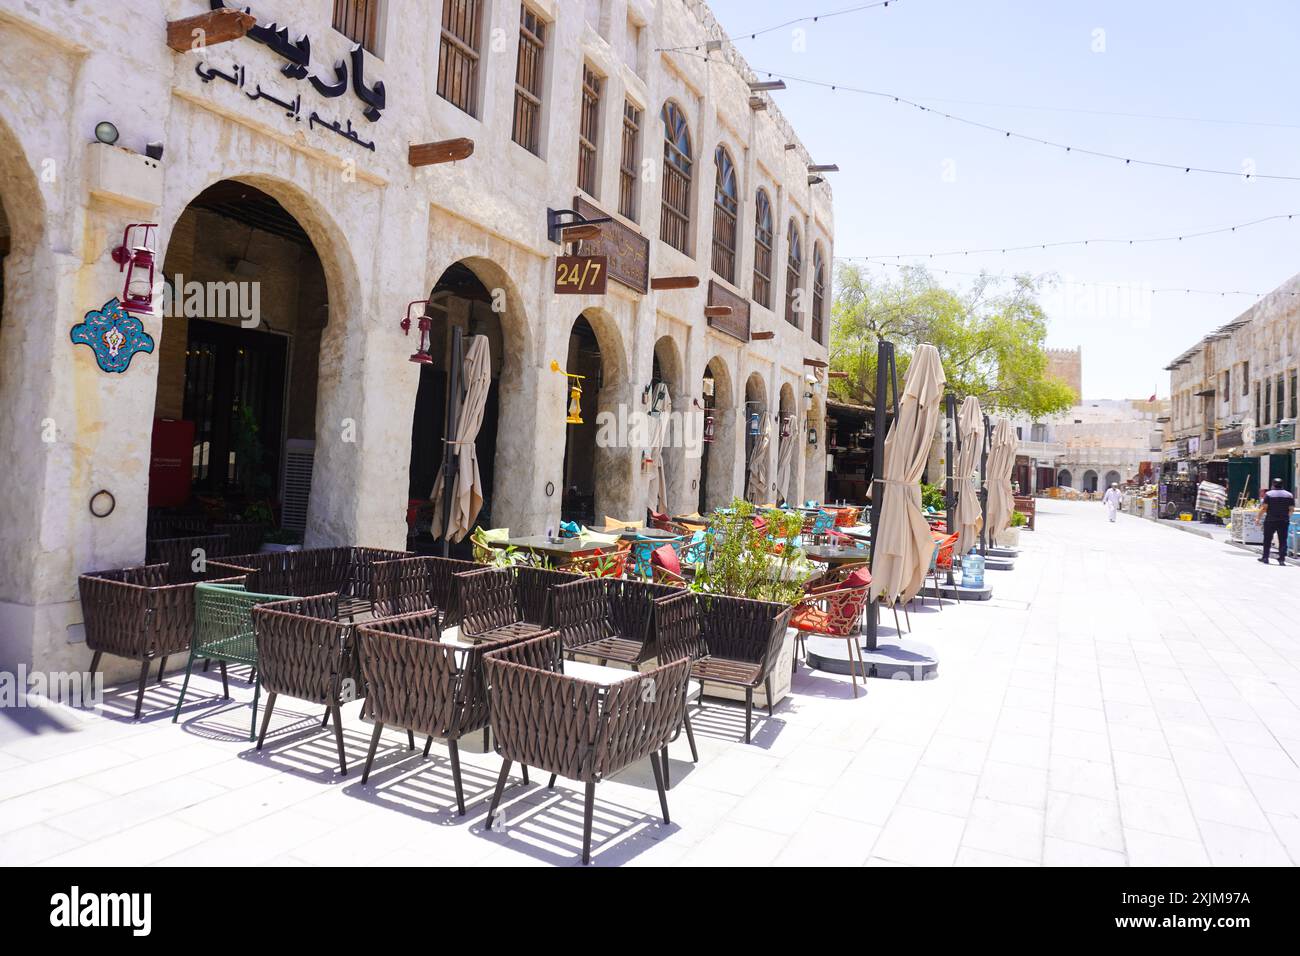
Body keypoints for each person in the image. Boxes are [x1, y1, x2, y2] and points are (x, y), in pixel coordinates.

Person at [1257, 478, 1295, 565]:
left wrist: (1258, 518)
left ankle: (1265, 557)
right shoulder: (1289, 495)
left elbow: (1264, 508)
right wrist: (1286, 517)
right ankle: (1281, 559)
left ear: (1273, 485)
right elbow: (1291, 509)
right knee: (1283, 540)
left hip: (1270, 520)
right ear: (1282, 485)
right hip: (1283, 521)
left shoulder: (1269, 494)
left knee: (1267, 539)